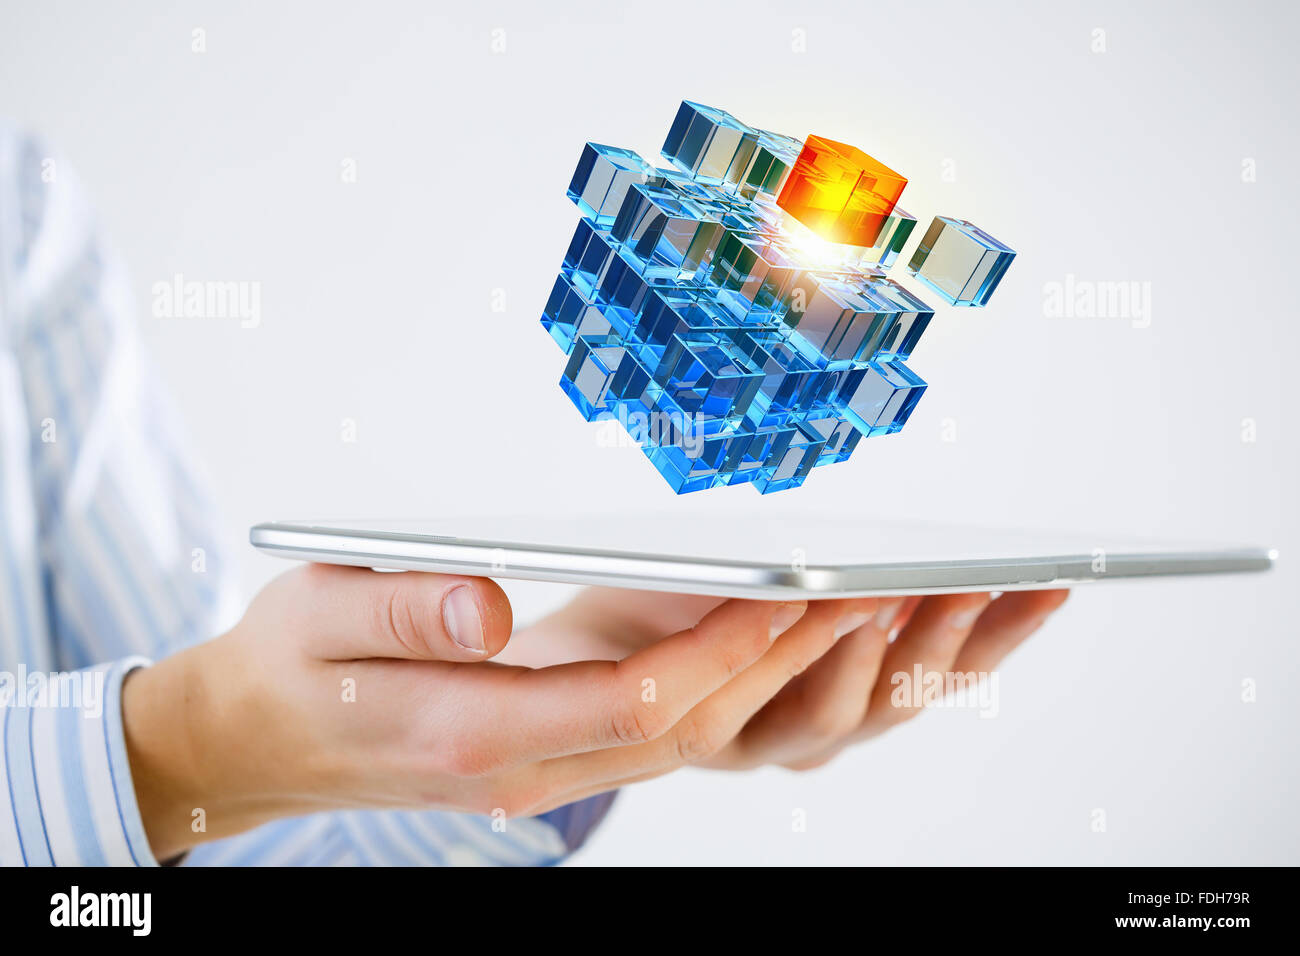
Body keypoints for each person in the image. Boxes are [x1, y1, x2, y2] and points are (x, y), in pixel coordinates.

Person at [0, 127, 1068, 866]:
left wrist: (576, 661)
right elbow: (176, 755)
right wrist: (191, 741)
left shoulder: (22, 201)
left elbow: (176, 855)